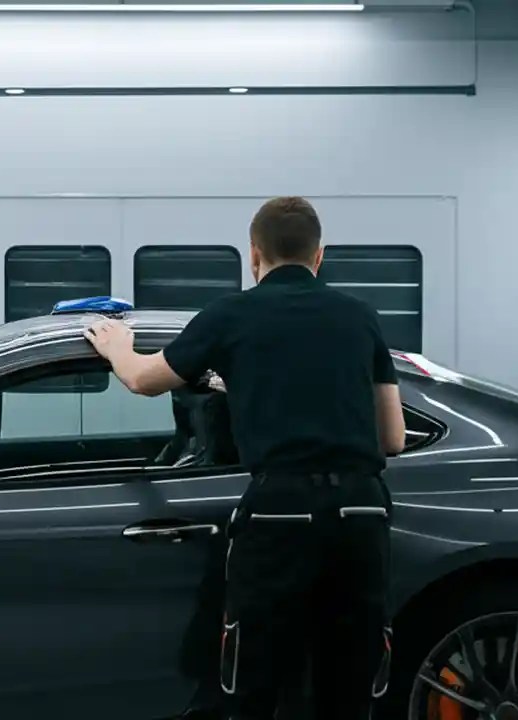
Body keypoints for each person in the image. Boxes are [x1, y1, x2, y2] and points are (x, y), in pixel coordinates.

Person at [85, 196, 405, 720]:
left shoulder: (231, 315)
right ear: (319, 255)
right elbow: (391, 438)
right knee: (347, 682)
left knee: (255, 680)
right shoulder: (359, 316)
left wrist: (119, 343)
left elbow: (143, 379)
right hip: (360, 512)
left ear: (253, 255)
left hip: (280, 510)